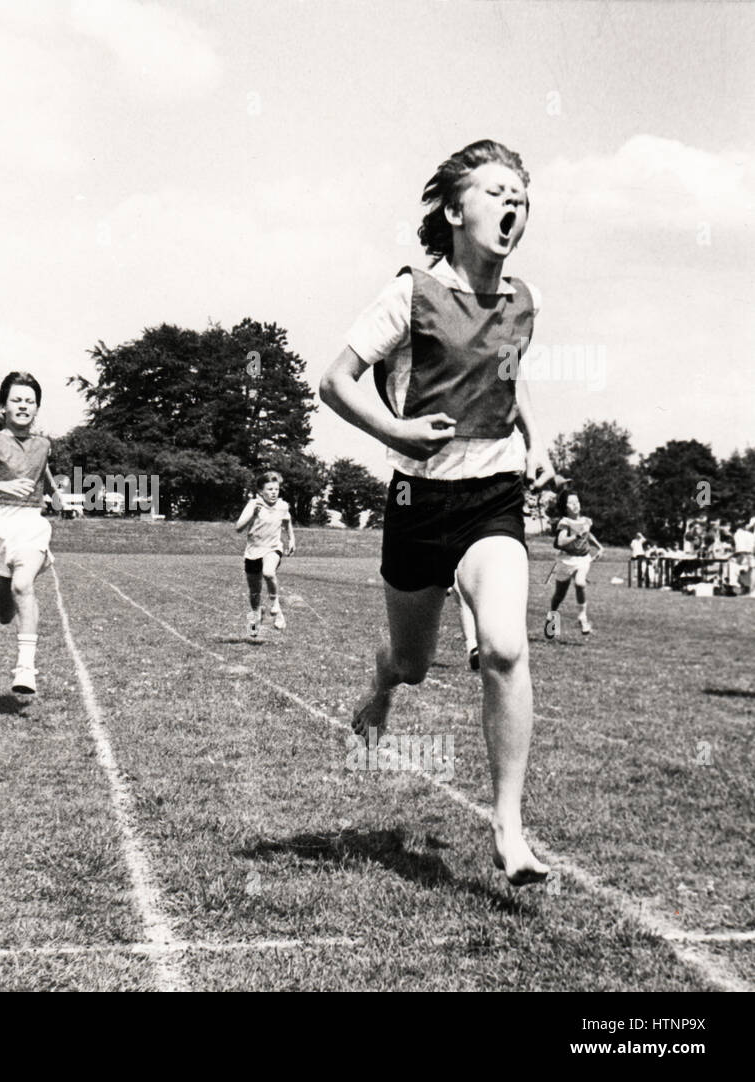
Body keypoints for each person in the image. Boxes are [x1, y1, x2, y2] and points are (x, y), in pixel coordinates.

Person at [317, 139, 553, 886]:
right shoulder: (411, 293)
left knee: (507, 648)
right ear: (455, 209)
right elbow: (336, 380)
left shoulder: (525, 301)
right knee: (416, 664)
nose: (512, 205)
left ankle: (509, 828)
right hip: (418, 502)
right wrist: (395, 432)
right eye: (496, 192)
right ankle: (383, 685)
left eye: (522, 195)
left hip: (492, 498)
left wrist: (534, 438)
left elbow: (507, 383)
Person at [0, 371, 62, 694]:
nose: (23, 406)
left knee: (23, 584)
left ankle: (25, 669)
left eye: (30, 401)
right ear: (2, 406)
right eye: (17, 400)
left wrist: (55, 494)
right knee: (4, 612)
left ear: (37, 408)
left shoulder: (44, 444)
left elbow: (42, 471)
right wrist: (3, 485)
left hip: (31, 525)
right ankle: (9, 603)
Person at [234, 470, 296, 640]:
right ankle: (254, 622)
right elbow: (238, 527)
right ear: (261, 491)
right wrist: (253, 514)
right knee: (254, 593)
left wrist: (291, 540)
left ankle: (276, 606)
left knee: (269, 572)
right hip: (253, 551)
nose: (274, 492)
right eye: (269, 489)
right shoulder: (254, 504)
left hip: (273, 548)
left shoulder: (283, 506)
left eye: (276, 489)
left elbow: (287, 521)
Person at [545, 492, 603, 638]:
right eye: (571, 503)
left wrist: (599, 546)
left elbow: (588, 534)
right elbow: (560, 542)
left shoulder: (586, 521)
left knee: (580, 583)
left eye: (577, 501)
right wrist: (576, 535)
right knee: (559, 596)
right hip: (566, 561)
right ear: (565, 507)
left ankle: (583, 619)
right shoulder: (564, 522)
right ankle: (552, 621)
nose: (575, 505)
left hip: (583, 559)